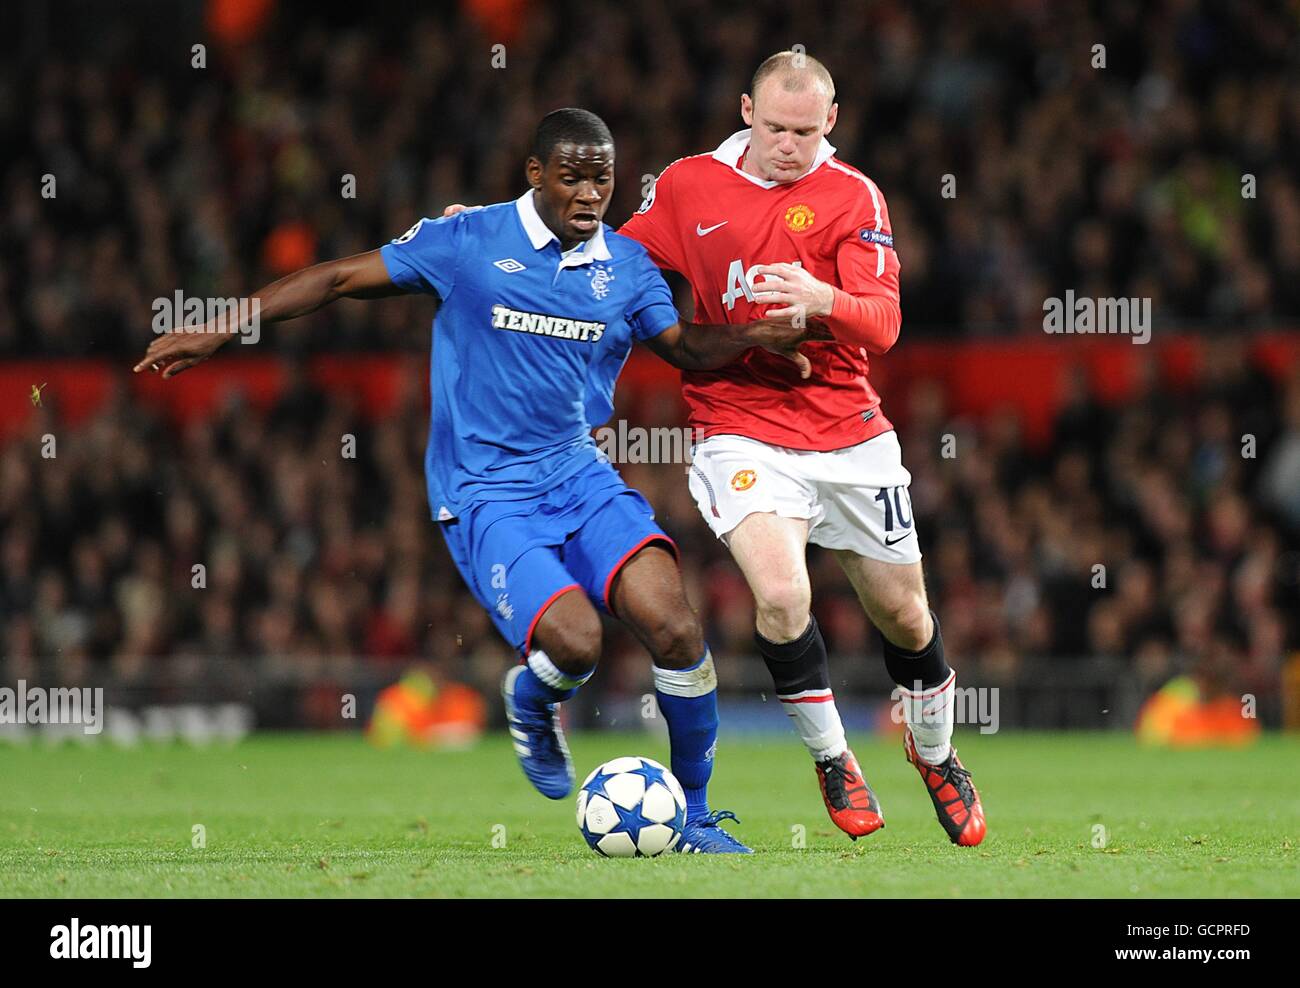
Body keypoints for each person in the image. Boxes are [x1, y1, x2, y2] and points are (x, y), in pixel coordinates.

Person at [135, 108, 824, 853]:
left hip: (580, 475)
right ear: (536, 175)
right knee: (578, 644)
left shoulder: (625, 267)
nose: (590, 194)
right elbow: (335, 277)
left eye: (603, 178)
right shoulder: (465, 241)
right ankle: (533, 697)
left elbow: (683, 345)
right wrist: (221, 324)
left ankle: (692, 816)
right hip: (485, 492)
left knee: (677, 627)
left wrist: (755, 335)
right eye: (573, 177)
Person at [617, 52, 986, 845]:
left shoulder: (853, 195)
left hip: (848, 430)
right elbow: (619, 268)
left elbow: (882, 326)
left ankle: (938, 755)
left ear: (833, 122)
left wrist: (824, 298)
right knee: (782, 598)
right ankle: (832, 759)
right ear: (746, 109)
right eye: (777, 128)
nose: (790, 146)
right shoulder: (686, 185)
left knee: (907, 616)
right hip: (737, 421)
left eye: (807, 132)